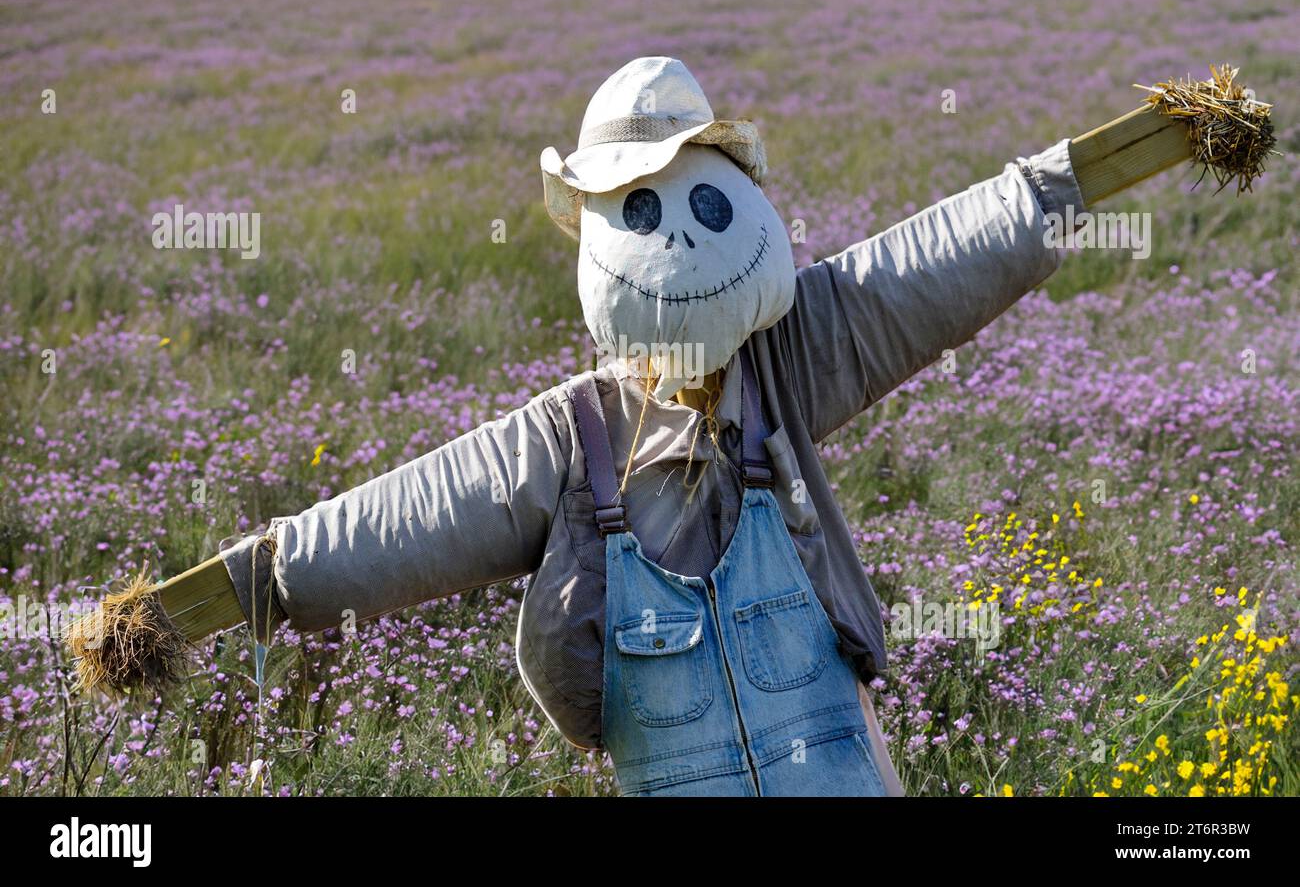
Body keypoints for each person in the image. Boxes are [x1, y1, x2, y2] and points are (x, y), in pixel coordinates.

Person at [219, 56, 1085, 796]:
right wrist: (259, 576)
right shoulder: (567, 440)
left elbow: (925, 270)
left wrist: (1059, 187)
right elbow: (416, 514)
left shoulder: (786, 360)